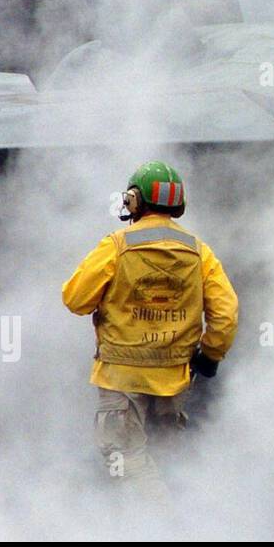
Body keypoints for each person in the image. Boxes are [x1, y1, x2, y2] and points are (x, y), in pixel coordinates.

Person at [62, 161, 238, 504]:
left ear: (134, 200)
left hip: (121, 379)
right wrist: (211, 355)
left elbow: (75, 299)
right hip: (172, 381)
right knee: (166, 462)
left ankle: (164, 527)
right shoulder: (199, 252)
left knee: (126, 462)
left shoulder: (116, 245)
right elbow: (226, 314)